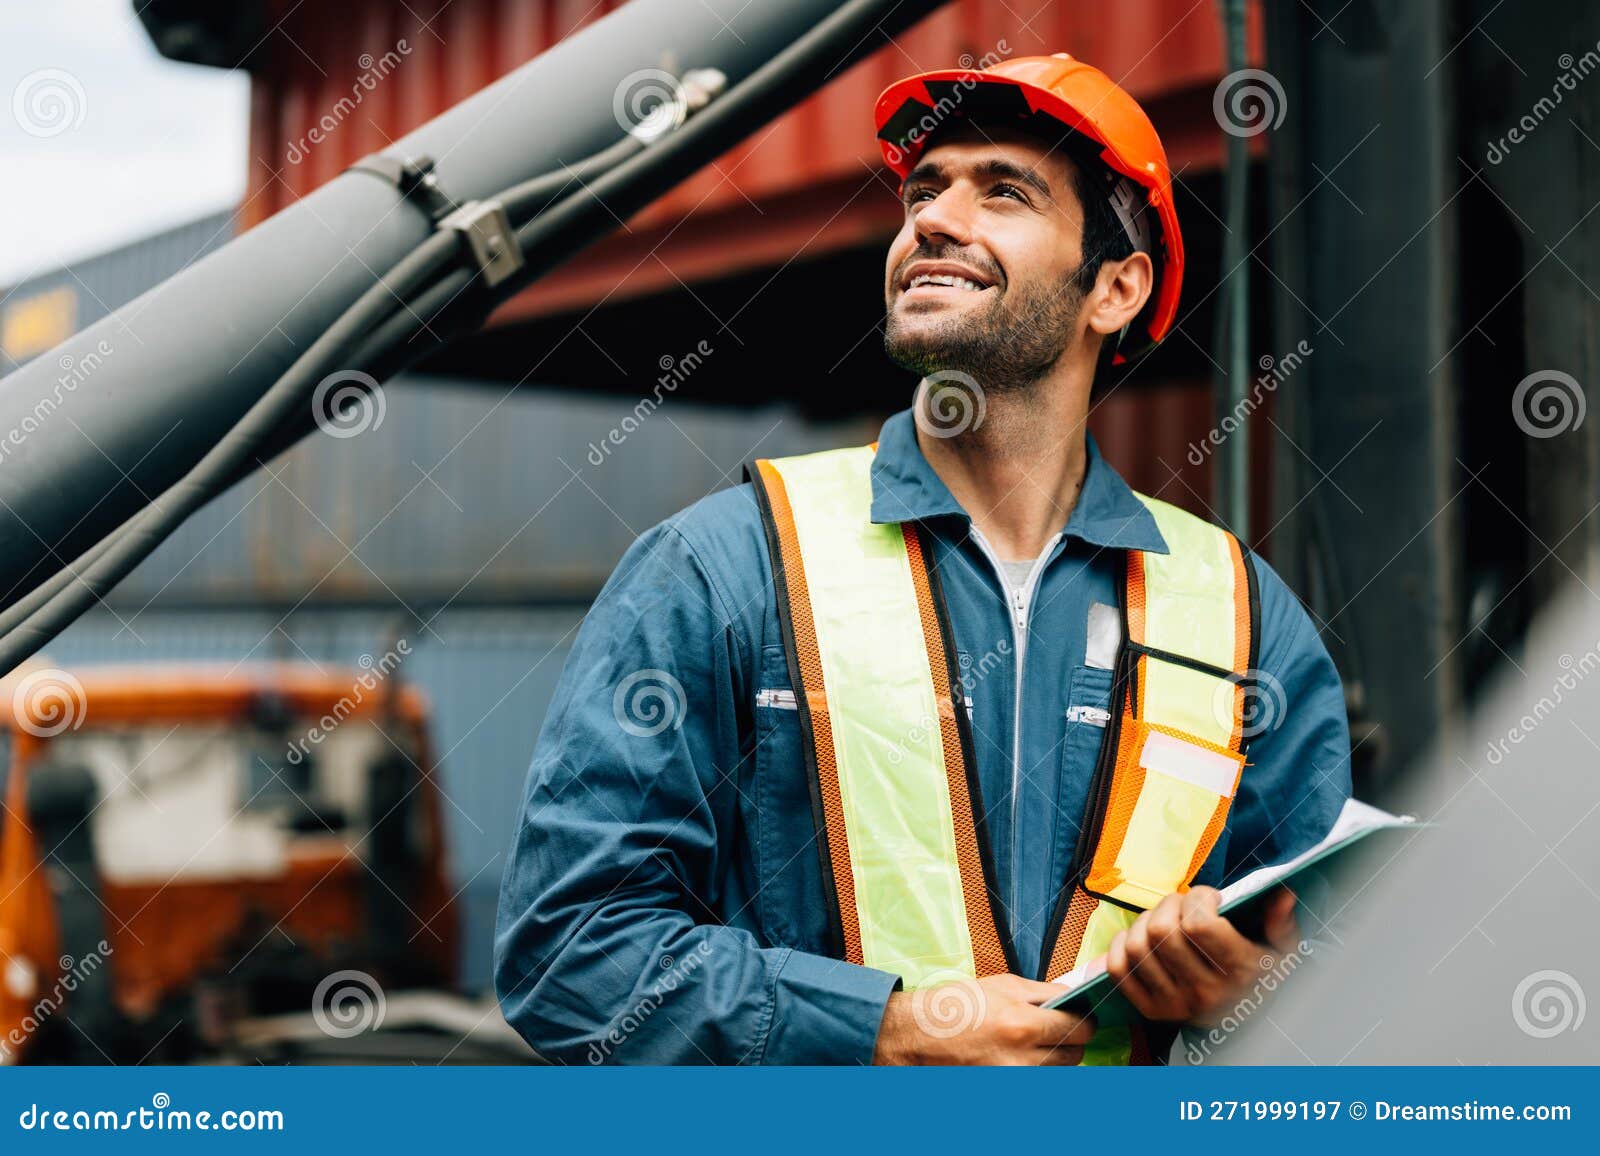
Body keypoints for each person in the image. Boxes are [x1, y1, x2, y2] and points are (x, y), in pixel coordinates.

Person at [495, 53, 1351, 1065]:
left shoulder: (1240, 612)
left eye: (1003, 191)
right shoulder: (724, 567)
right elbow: (570, 955)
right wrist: (885, 1028)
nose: (933, 221)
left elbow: (1355, 966)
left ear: (1114, 289)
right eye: (923, 190)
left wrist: (1251, 994)